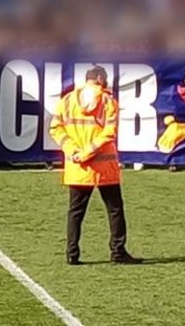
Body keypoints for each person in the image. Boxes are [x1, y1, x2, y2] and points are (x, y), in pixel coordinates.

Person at [49, 66, 141, 265]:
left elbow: (55, 129)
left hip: (78, 166)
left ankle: (72, 253)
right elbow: (109, 133)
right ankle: (118, 251)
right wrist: (88, 151)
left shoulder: (67, 100)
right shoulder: (108, 101)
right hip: (104, 166)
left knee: (75, 211)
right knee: (115, 209)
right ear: (101, 79)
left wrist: (73, 150)